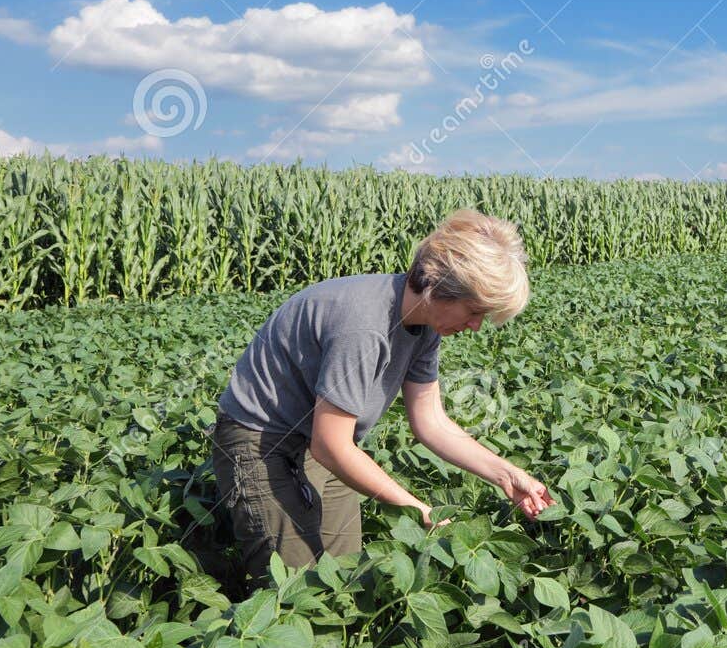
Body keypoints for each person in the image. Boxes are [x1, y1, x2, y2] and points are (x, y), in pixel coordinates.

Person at [208, 208, 554, 585]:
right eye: (474, 312)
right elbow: (330, 445)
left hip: (325, 442)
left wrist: (507, 475)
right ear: (439, 287)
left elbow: (431, 421)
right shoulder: (364, 327)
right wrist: (417, 509)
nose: (475, 326)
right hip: (262, 443)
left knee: (345, 578)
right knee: (295, 587)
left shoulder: (425, 326)